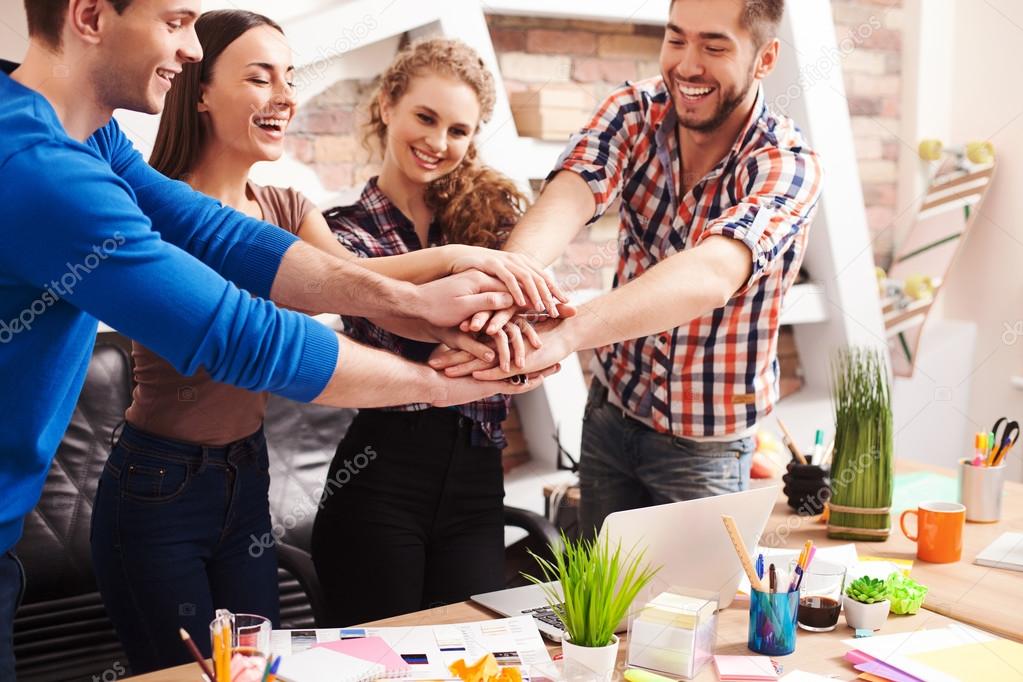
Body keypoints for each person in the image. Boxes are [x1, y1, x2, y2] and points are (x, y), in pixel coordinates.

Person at [0, 0, 561, 675]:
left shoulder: (90, 137)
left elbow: (215, 232)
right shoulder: (38, 167)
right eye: (175, 22)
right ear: (90, 16)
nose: (189, 48)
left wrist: (409, 301)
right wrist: (443, 384)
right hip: (148, 487)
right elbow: (241, 336)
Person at [434, 0, 823, 534]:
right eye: (676, 39)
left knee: (693, 590)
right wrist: (507, 288)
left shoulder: (786, 163)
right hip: (611, 413)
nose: (687, 65)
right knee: (602, 586)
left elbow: (711, 274)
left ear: (765, 58)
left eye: (714, 47)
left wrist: (567, 335)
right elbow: (572, 192)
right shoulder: (635, 111)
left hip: (704, 448)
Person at [310, 38, 549, 625]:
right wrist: (463, 279)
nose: (438, 142)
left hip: (478, 479)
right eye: (425, 117)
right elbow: (385, 301)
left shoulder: (492, 217)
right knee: (378, 659)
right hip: (381, 476)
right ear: (387, 104)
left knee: (476, 652)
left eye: (458, 130)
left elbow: (528, 323)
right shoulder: (340, 233)